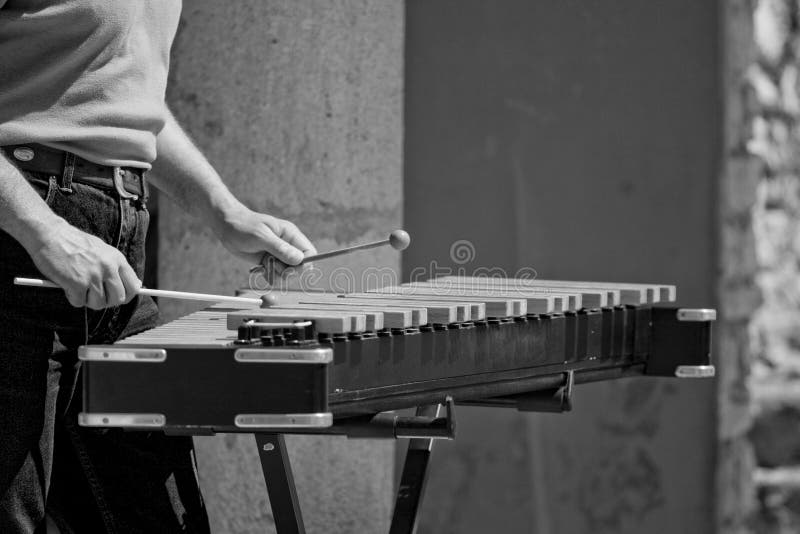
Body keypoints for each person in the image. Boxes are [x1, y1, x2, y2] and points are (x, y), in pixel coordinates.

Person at [0, 1, 317, 532]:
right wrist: (45, 231)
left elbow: (123, 102)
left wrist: (222, 210)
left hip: (115, 248)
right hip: (18, 235)